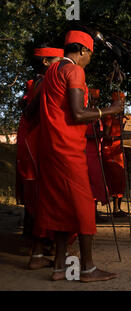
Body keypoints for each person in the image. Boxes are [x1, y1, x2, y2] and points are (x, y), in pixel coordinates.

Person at [35, 28, 123, 281]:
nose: (89, 60)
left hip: (51, 148)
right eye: (90, 55)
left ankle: (59, 267)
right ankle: (87, 269)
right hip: (67, 149)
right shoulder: (74, 70)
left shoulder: (52, 71)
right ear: (83, 50)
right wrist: (109, 110)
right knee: (84, 206)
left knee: (60, 208)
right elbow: (76, 114)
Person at [16, 45, 64, 270]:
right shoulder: (45, 82)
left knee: (41, 197)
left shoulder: (41, 82)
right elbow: (30, 112)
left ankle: (42, 247)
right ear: (46, 63)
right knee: (46, 197)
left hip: (36, 147)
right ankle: (44, 249)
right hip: (37, 147)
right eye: (58, 60)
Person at [102, 91, 128, 217]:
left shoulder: (121, 116)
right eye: (121, 101)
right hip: (110, 150)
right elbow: (106, 135)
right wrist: (118, 138)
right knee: (114, 178)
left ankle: (118, 208)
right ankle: (115, 209)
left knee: (121, 179)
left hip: (119, 150)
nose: (123, 104)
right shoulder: (109, 115)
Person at [85, 88, 109, 223]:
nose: (95, 101)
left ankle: (94, 212)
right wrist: (93, 135)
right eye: (93, 99)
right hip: (87, 152)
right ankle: (90, 213)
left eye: (96, 99)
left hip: (96, 151)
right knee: (90, 183)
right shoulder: (84, 113)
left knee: (97, 182)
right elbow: (82, 134)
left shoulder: (97, 113)